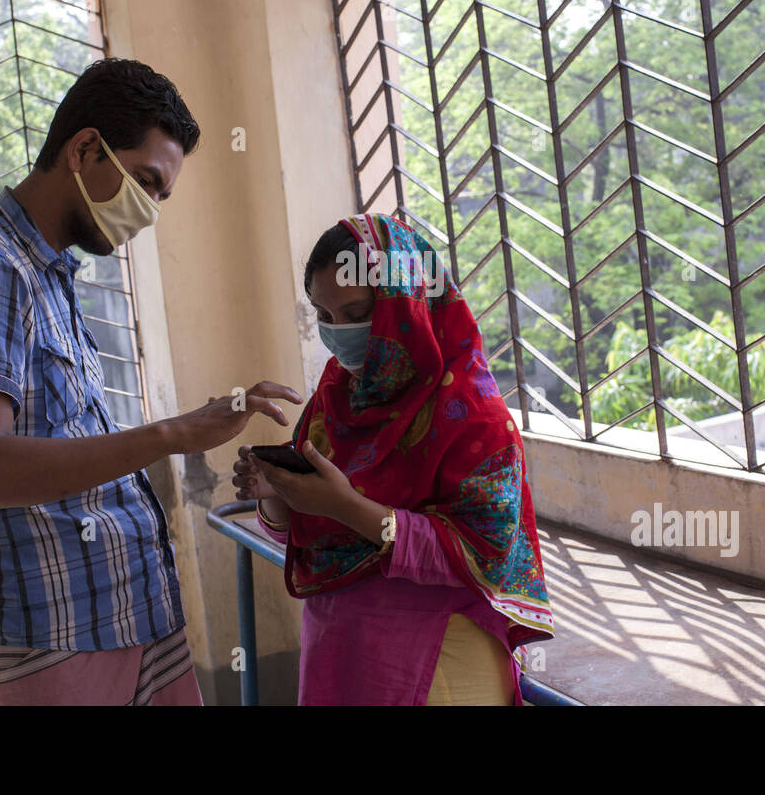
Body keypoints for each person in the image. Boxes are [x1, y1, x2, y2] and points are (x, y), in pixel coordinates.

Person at [0, 58, 301, 705]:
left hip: (129, 613)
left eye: (161, 197)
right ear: (85, 148)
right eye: (145, 183)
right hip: (54, 637)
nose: (147, 212)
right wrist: (175, 433)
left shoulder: (48, 273)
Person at [232, 212, 554, 705]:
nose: (338, 334)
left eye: (357, 312)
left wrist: (347, 507)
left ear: (407, 298)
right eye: (324, 315)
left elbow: (481, 553)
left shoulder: (474, 417)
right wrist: (276, 494)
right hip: (337, 656)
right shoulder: (338, 395)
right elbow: (303, 532)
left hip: (435, 666)